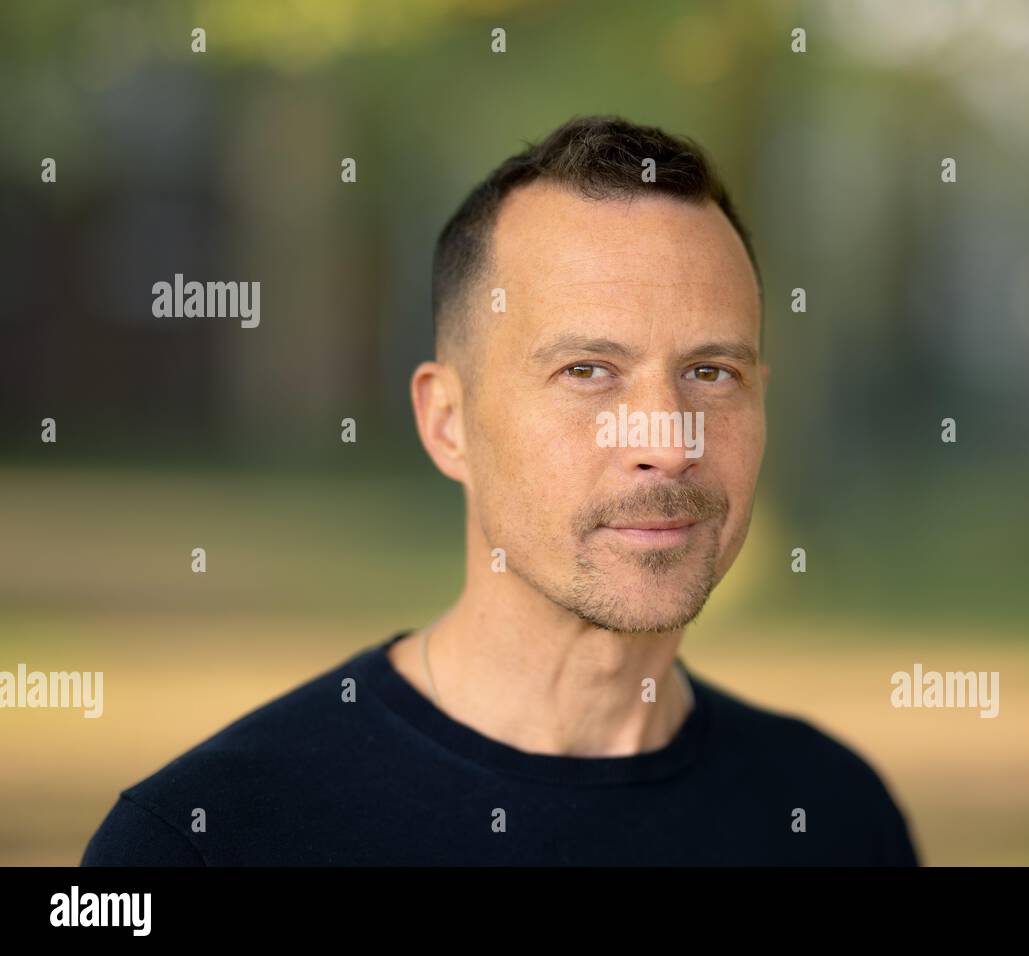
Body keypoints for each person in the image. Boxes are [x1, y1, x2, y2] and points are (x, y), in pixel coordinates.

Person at [81, 115, 919, 866]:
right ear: (447, 422)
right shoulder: (208, 842)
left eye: (711, 372)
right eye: (587, 371)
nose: (667, 441)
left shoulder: (837, 815)